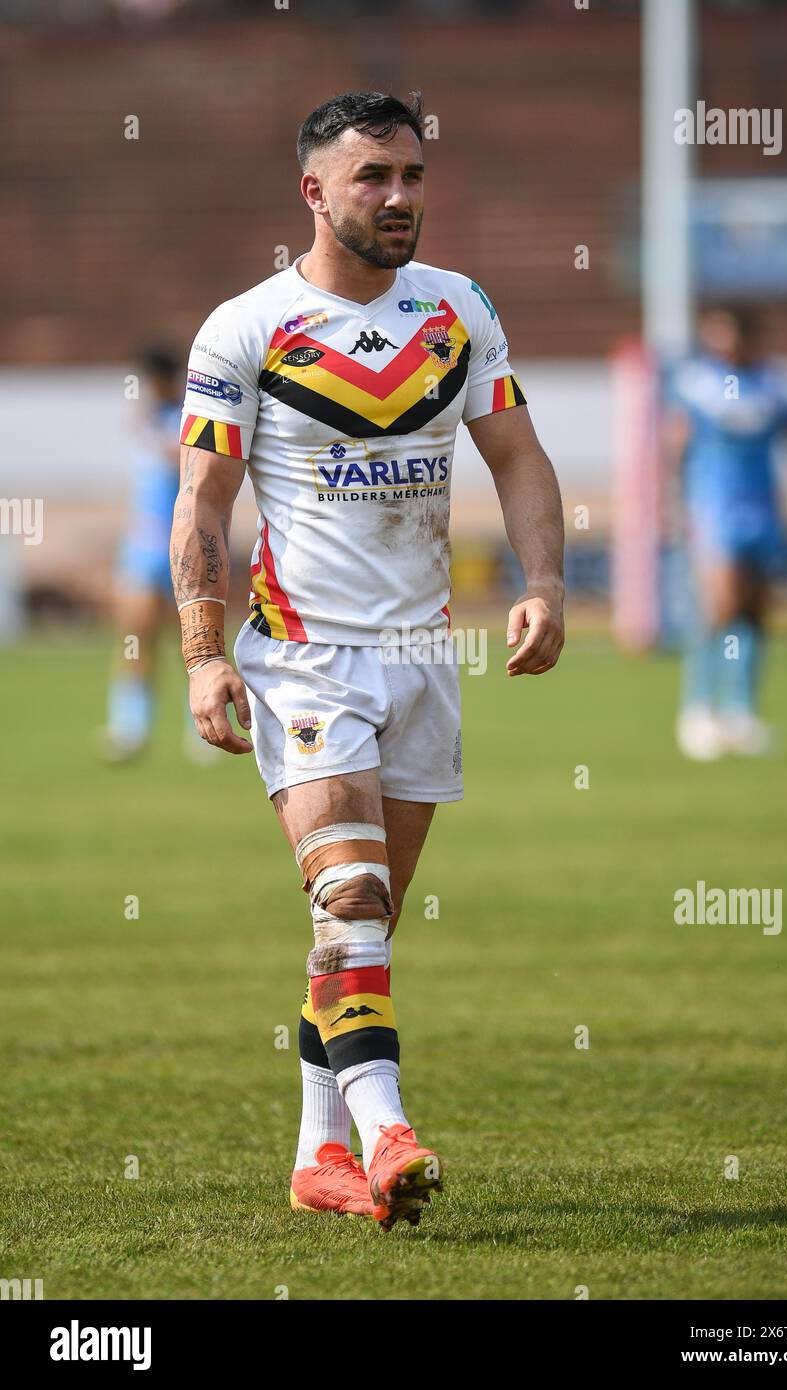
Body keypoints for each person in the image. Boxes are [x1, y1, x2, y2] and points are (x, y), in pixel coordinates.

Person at [168, 91, 565, 1229]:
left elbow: (519, 456)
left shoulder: (457, 309)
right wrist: (203, 654)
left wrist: (542, 585)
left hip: (421, 659)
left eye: (411, 176)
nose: (399, 198)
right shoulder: (243, 328)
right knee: (350, 896)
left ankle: (315, 1153)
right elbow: (202, 503)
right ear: (314, 192)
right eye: (372, 179)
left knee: (359, 936)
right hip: (302, 661)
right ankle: (388, 1131)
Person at [665, 304, 787, 760]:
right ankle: (697, 712)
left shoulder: (774, 383)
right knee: (721, 604)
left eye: (727, 335)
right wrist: (672, 503)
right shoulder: (697, 383)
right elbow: (676, 445)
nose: (719, 345)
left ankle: (740, 713)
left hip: (764, 508)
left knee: (755, 609)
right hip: (714, 506)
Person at [102, 346, 184, 760]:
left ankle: (204, 727)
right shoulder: (141, 422)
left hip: (184, 546)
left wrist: (152, 431)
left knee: (196, 640)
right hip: (142, 547)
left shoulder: (185, 419)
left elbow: (180, 461)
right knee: (135, 638)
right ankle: (130, 726)